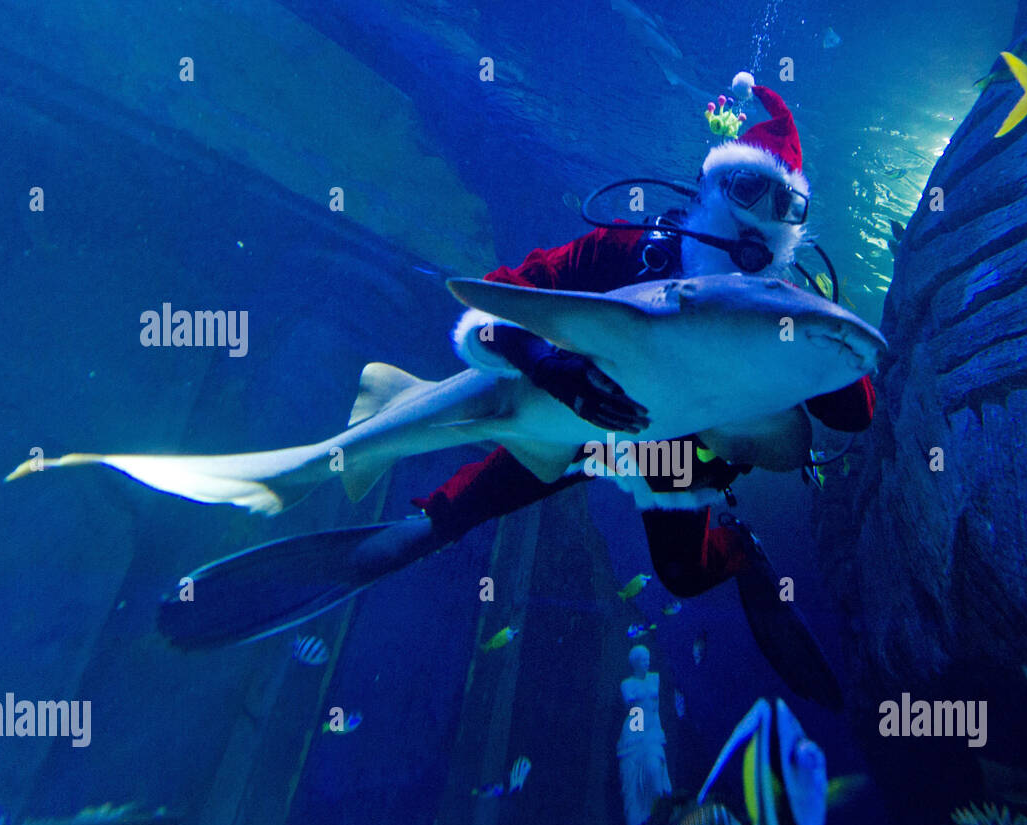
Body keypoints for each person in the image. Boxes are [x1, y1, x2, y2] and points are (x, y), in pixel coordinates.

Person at [160, 73, 873, 707]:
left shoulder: (790, 311)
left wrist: (822, 345)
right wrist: (544, 358)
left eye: (786, 203)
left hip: (670, 449)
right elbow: (495, 301)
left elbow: (847, 412)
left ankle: (739, 550)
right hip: (563, 401)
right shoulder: (628, 252)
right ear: (713, 185)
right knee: (440, 520)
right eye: (749, 186)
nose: (762, 212)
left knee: (683, 574)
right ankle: (362, 499)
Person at [617, 645, 670, 825]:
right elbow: (633, 708)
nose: (648, 662)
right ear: (635, 662)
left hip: (653, 735)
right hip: (634, 736)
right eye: (643, 659)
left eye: (649, 658)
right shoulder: (627, 684)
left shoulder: (655, 678)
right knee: (633, 790)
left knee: (655, 776)